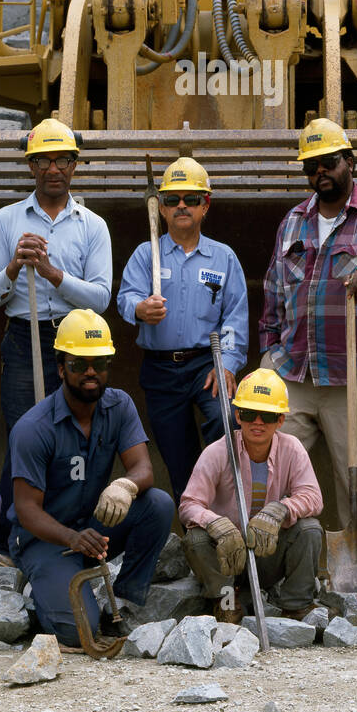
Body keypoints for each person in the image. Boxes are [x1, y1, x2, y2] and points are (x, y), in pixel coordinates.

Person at [0, 118, 112, 563]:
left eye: (62, 160)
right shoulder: (6, 221)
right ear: (31, 165)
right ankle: (6, 544)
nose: (53, 168)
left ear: (74, 165)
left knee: (77, 438)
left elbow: (101, 297)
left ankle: (72, 535)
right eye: (43, 160)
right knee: (24, 437)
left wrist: (53, 273)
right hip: (24, 338)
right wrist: (14, 268)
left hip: (79, 346)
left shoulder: (92, 226)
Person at [259, 118, 357, 536]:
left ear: (349, 162)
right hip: (294, 371)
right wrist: (269, 353)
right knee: (271, 471)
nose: (320, 171)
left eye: (329, 162)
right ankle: (270, 557)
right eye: (311, 165)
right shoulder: (292, 221)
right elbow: (273, 290)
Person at [7, 310, 174, 651]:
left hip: (93, 528)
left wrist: (124, 486)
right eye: (78, 364)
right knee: (77, 632)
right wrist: (72, 537)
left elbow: (143, 468)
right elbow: (26, 510)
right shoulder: (33, 428)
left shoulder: (119, 405)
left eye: (99, 363)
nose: (90, 372)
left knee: (157, 504)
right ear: (60, 368)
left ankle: (124, 602)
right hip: (45, 539)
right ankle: (39, 587)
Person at [116, 156, 248, 504]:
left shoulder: (224, 257)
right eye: (172, 199)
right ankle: (194, 526)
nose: (182, 206)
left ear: (206, 205)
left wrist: (228, 363)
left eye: (191, 198)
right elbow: (126, 298)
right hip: (160, 369)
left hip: (207, 364)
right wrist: (140, 309)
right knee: (178, 459)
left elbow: (235, 316)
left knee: (226, 422)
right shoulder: (147, 254)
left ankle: (228, 509)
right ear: (161, 208)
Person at [179, 370, 324, 623]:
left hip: (267, 556)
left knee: (309, 528)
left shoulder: (292, 448)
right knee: (196, 539)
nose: (257, 422)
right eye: (248, 414)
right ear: (237, 416)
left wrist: (281, 510)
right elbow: (188, 504)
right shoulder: (217, 451)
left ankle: (296, 606)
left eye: (267, 416)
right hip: (225, 556)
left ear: (280, 420)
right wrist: (215, 523)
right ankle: (225, 603)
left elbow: (313, 497)